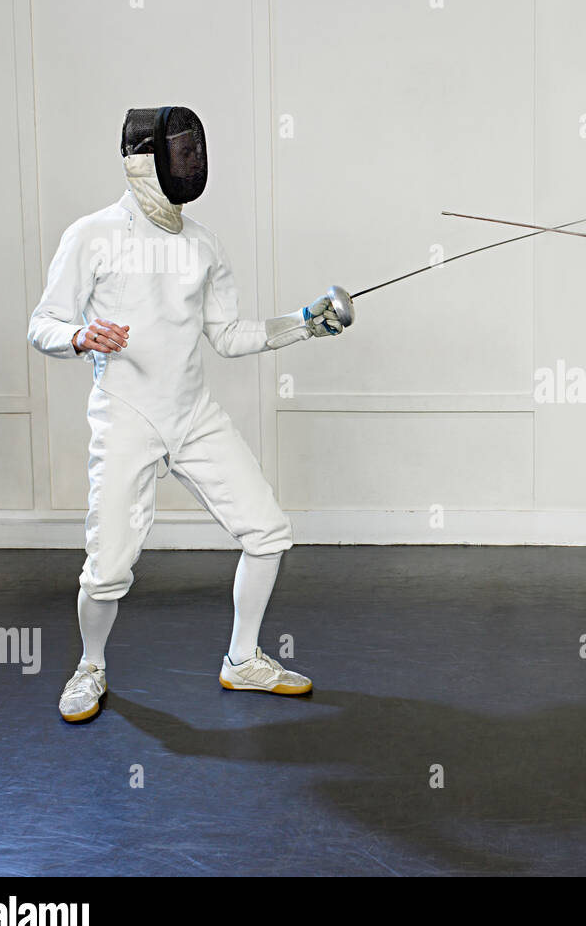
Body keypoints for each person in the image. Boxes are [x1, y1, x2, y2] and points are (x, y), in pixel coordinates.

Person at [28, 106, 350, 723]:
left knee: (267, 531)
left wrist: (303, 326)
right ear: (145, 160)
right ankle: (89, 664)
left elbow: (226, 335)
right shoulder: (91, 235)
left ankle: (241, 659)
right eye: (181, 152)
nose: (192, 163)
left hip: (193, 413)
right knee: (107, 570)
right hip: (126, 415)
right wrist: (79, 337)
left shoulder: (203, 244)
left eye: (195, 152)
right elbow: (42, 323)